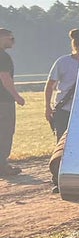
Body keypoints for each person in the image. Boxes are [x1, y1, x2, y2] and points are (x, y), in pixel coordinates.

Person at [45, 28, 79, 141]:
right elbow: (50, 86)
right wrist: (48, 107)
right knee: (62, 142)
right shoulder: (63, 62)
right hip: (64, 110)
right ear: (77, 46)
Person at [0, 28, 25, 177]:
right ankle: (3, 166)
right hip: (3, 101)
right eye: (11, 39)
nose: (13, 42)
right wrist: (17, 96)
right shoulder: (3, 57)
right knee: (5, 132)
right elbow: (5, 78)